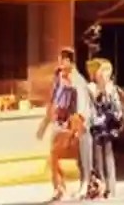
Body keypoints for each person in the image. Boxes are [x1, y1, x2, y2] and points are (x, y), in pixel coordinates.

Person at [37, 48, 94, 202]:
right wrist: (45, 123)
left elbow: (82, 104)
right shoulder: (58, 78)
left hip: (73, 122)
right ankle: (59, 187)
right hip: (59, 121)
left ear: (70, 61)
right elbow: (53, 100)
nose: (60, 63)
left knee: (78, 157)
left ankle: (87, 183)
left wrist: (78, 124)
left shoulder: (78, 80)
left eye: (63, 60)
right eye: (59, 59)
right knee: (53, 155)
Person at [87, 58, 124, 200]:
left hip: (107, 126)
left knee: (108, 155)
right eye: (103, 72)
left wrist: (109, 95)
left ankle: (111, 187)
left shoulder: (111, 88)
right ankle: (99, 185)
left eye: (108, 72)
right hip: (95, 127)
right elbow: (91, 107)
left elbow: (117, 109)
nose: (105, 75)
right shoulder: (91, 88)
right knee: (97, 158)